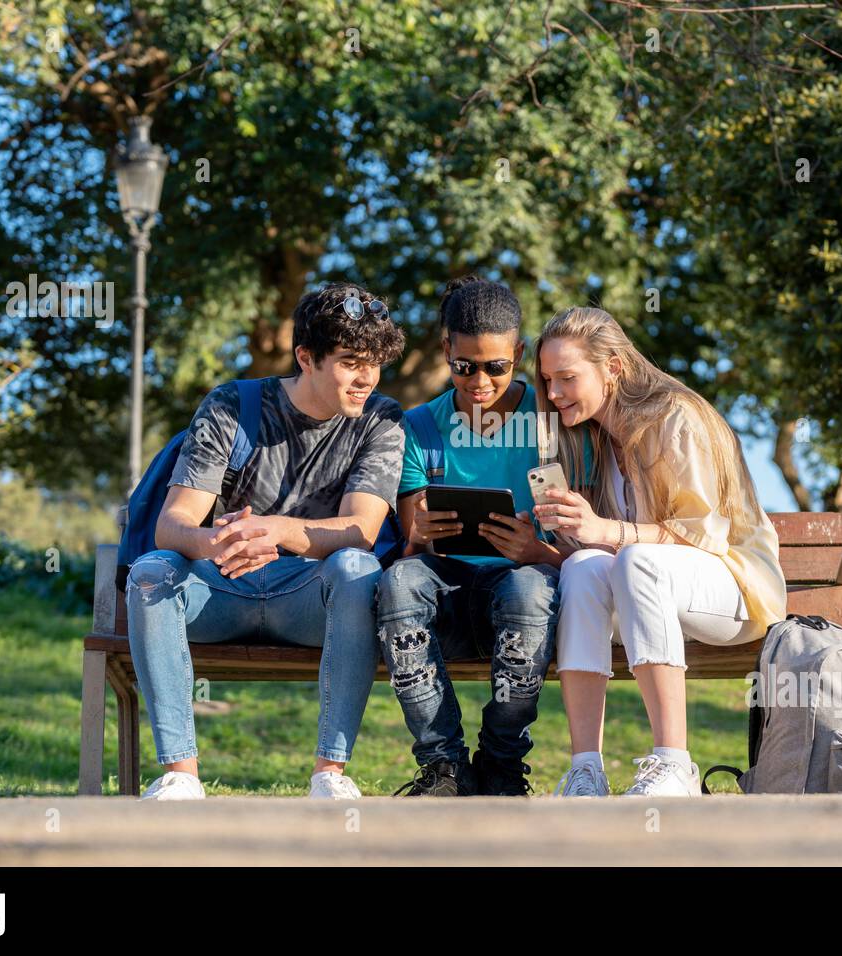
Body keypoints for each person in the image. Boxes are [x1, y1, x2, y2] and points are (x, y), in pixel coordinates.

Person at [127, 282, 406, 801]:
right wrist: (220, 542)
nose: (365, 377)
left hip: (309, 598)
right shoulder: (232, 405)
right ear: (306, 357)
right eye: (350, 361)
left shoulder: (380, 420)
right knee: (151, 573)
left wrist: (277, 530)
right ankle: (181, 776)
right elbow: (173, 524)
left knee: (357, 569)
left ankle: (330, 775)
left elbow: (361, 531)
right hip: (221, 589)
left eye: (374, 363)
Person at [532, 306, 787, 798]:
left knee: (636, 559)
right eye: (547, 380)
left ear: (614, 368)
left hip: (735, 589)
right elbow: (605, 550)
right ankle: (586, 769)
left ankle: (674, 764)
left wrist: (606, 529)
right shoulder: (599, 439)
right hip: (651, 589)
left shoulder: (676, 417)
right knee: (585, 567)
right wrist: (549, 544)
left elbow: (701, 536)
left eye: (567, 377)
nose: (555, 393)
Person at [376, 276, 589, 797]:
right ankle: (443, 766)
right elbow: (408, 546)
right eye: (464, 365)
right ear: (446, 349)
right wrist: (418, 535)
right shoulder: (420, 426)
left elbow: (581, 547)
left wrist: (536, 551)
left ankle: (500, 761)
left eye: (496, 366)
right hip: (446, 594)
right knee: (401, 581)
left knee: (529, 587)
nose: (479, 382)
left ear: (519, 354)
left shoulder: (549, 420)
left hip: (522, 593)